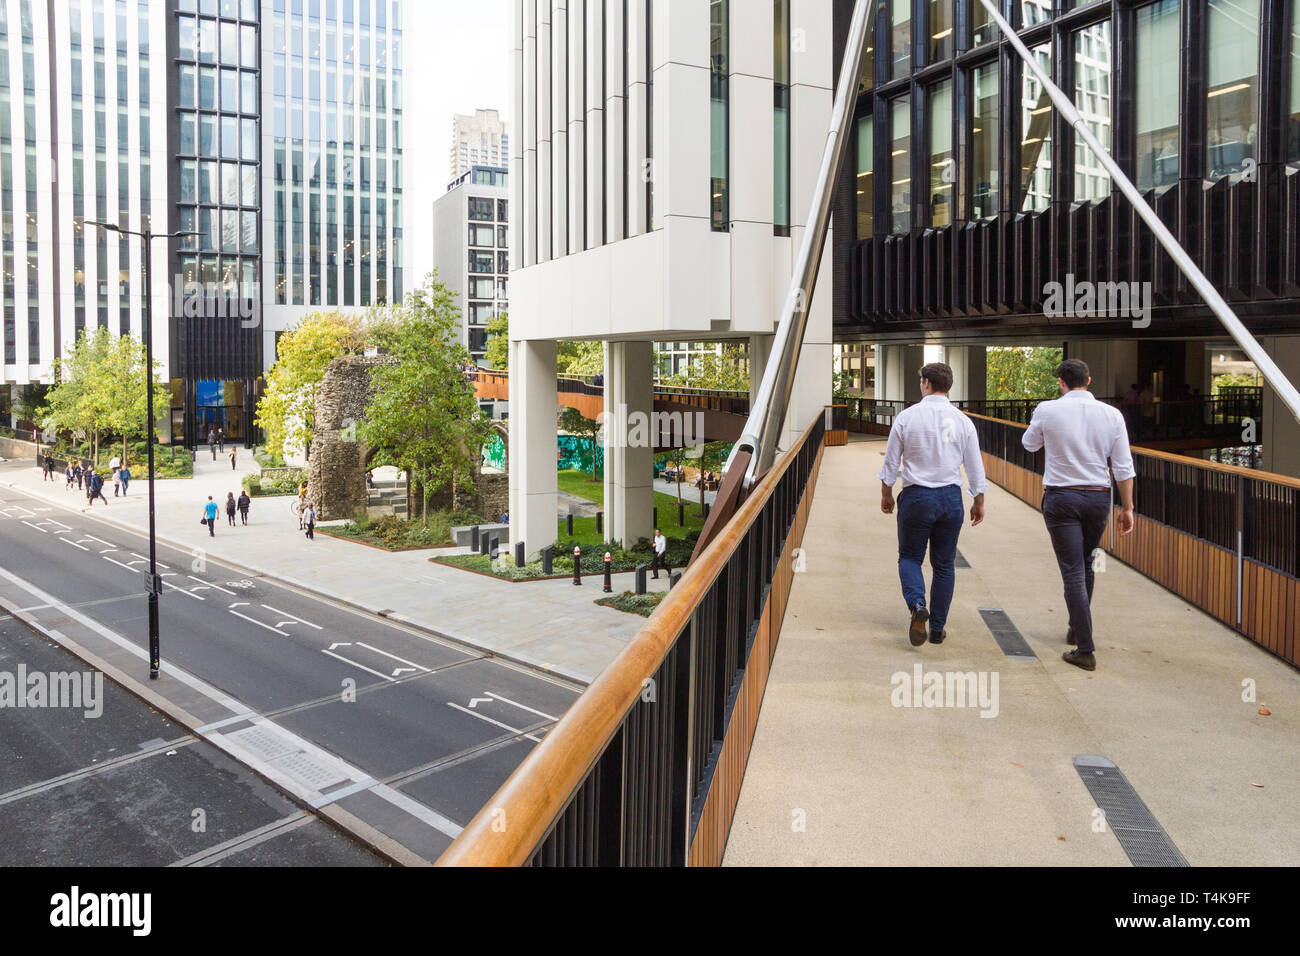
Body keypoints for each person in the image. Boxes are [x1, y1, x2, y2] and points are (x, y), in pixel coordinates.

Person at [1022, 359, 1136, 672]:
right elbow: (1123, 466)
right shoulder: (1112, 415)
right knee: (1086, 561)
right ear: (1089, 379)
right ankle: (1076, 627)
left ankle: (1085, 649)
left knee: (1072, 568)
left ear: (1061, 381)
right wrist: (1127, 508)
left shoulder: (1048, 410)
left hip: (1062, 497)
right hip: (1099, 498)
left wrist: (1047, 433)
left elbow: (1029, 444)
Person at [878, 362, 987, 647]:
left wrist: (886, 493)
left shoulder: (907, 417)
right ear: (947, 386)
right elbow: (975, 466)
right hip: (950, 498)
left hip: (917, 497)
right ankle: (937, 629)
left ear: (926, 383)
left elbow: (891, 462)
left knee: (910, 558)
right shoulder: (963, 421)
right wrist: (979, 500)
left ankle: (917, 605)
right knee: (944, 565)